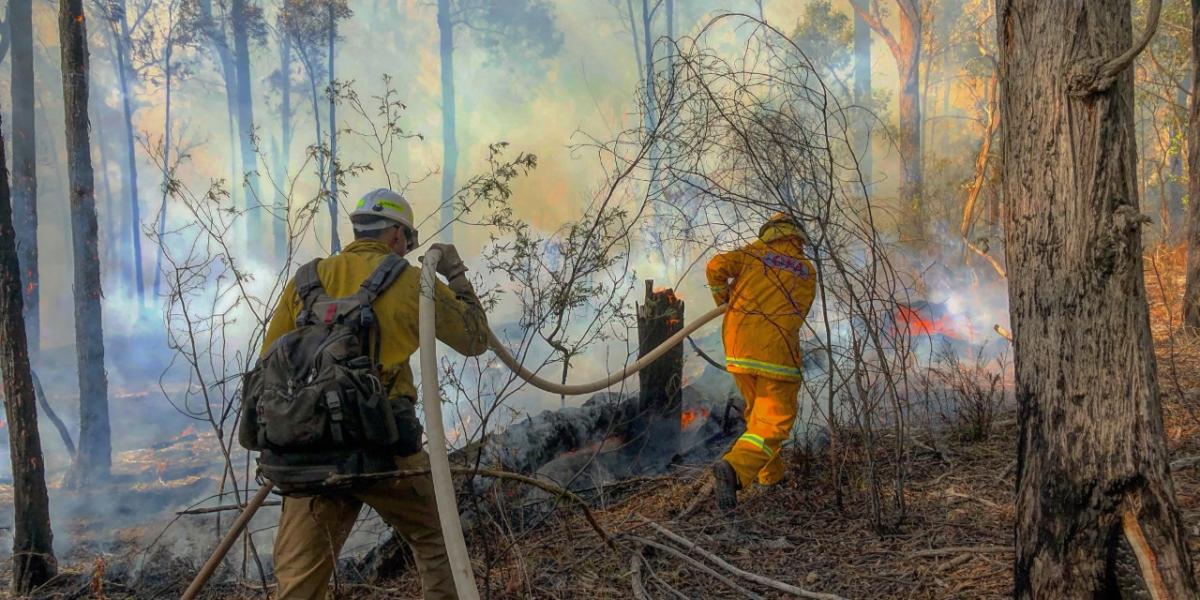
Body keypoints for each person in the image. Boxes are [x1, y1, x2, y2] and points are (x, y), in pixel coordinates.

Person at [260, 188, 488, 599]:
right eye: (406, 242)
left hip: (311, 456)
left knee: (297, 583)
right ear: (397, 236)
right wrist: (455, 275)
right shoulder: (411, 281)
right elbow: (474, 339)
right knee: (439, 542)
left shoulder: (306, 280)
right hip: (387, 451)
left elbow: (268, 362)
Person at [705, 212, 816, 511]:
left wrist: (725, 301)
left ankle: (771, 477)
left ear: (769, 233)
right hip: (777, 354)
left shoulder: (752, 253)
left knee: (759, 416)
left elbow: (715, 266)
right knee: (775, 423)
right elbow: (798, 313)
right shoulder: (806, 270)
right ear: (798, 238)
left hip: (739, 347)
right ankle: (735, 468)